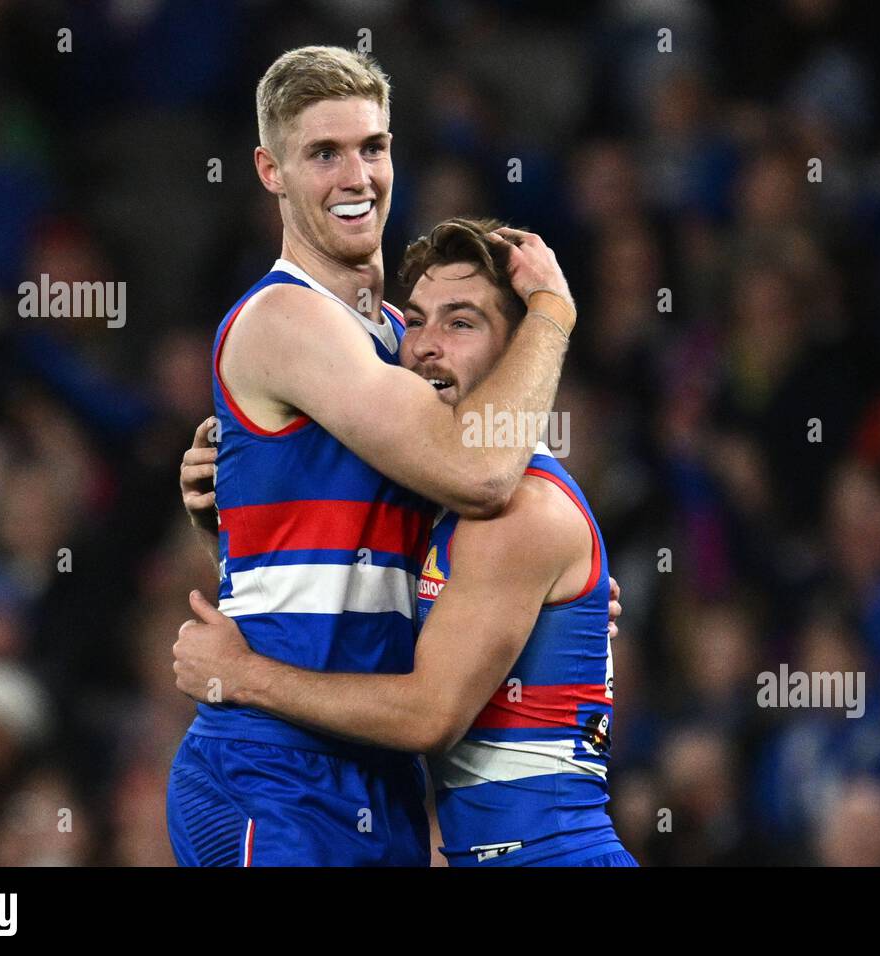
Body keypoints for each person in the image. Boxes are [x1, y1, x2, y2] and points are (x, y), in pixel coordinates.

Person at [166, 46, 578, 867]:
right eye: (323, 152)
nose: (357, 174)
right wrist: (552, 314)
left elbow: (442, 523)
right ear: (269, 169)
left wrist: (560, 602)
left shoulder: (398, 341)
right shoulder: (289, 319)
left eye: (373, 147)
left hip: (378, 767)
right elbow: (482, 470)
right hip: (273, 769)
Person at [175, 218, 634, 867]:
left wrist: (243, 676)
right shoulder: (443, 512)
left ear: (518, 357)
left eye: (462, 323)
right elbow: (342, 609)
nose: (423, 346)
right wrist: (230, 519)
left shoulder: (519, 512)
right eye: (416, 320)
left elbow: (426, 716)